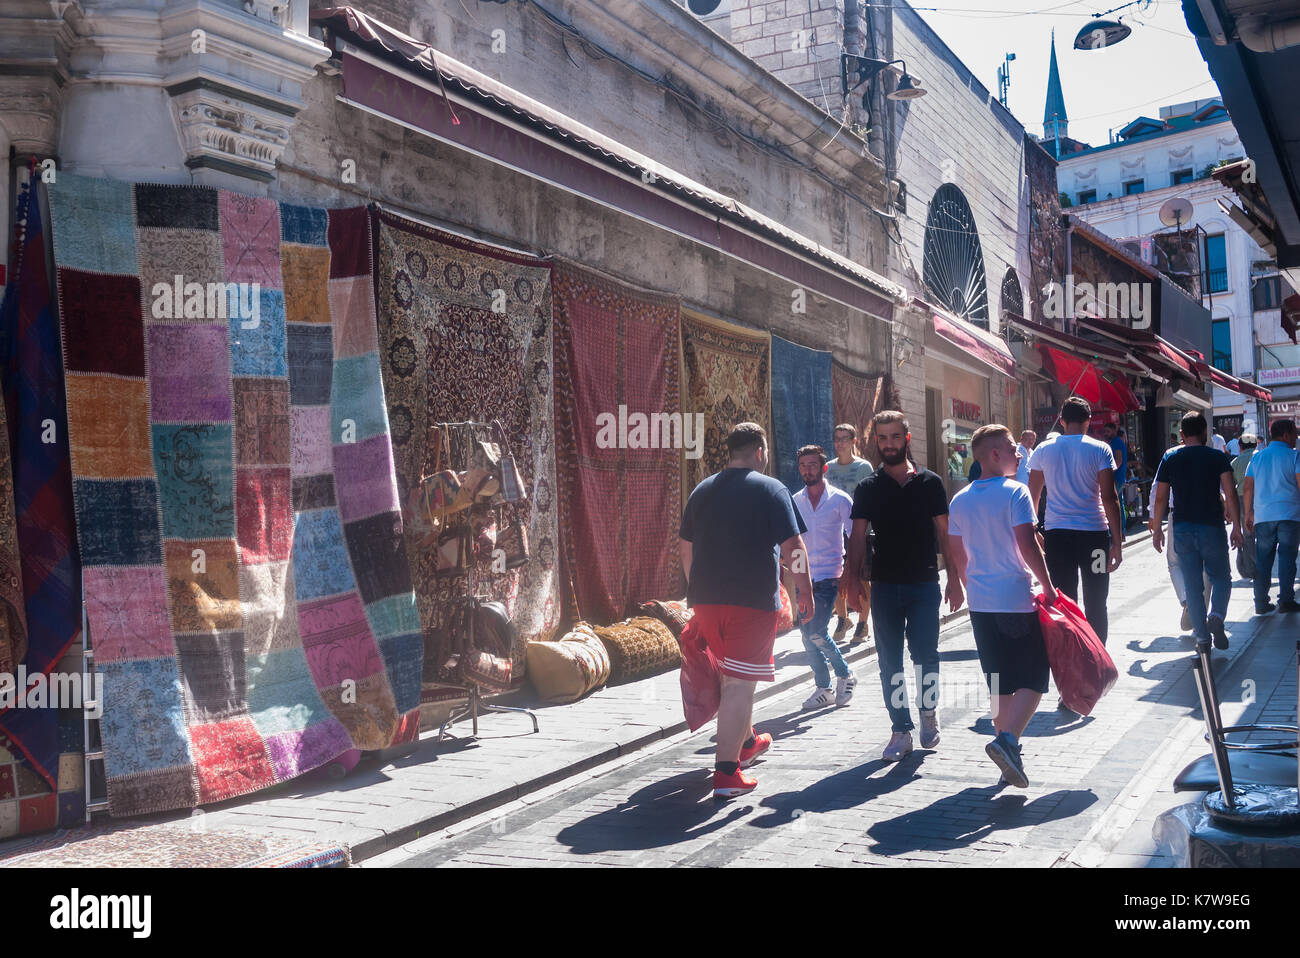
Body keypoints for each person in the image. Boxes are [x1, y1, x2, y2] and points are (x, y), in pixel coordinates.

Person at [680, 422, 814, 799]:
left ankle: (748, 741)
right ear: (761, 451)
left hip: (705, 599)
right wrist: (804, 590)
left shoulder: (702, 490)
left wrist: (700, 590)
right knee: (741, 682)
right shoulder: (772, 489)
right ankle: (726, 774)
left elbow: (685, 550)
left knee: (732, 675)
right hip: (751, 600)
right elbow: (794, 547)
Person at [847, 411, 962, 762]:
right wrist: (851, 580)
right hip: (884, 586)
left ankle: (928, 712)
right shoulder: (868, 487)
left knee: (926, 656)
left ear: (907, 439)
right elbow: (856, 537)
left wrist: (954, 578)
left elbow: (945, 532)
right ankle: (901, 730)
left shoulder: (930, 483)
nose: (889, 444)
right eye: (882, 438)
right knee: (889, 662)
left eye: (895, 437)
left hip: (925, 583)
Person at [947, 424, 1058, 788]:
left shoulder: (959, 499)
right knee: (1034, 678)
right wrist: (1049, 586)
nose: (1020, 453)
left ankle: (1008, 754)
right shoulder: (1016, 493)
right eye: (1012, 448)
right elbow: (1028, 545)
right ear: (994, 455)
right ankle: (1007, 741)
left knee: (999, 682)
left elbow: (957, 554)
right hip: (1014, 598)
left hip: (981, 603)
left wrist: (968, 586)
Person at [1027, 397, 1123, 657]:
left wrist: (1034, 531)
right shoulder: (1100, 449)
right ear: (1089, 421)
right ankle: (1096, 658)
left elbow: (1031, 496)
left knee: (1066, 601)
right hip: (1095, 535)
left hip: (1058, 537)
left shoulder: (1043, 450)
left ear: (1062, 420)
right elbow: (1109, 497)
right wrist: (1117, 541)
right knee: (1097, 600)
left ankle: (1073, 659)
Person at [1149, 411, 1242, 650]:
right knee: (1221, 577)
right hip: (1211, 526)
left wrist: (1158, 528)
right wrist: (1237, 527)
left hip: (1182, 527)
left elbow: (1160, 498)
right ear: (1205, 433)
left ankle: (1202, 639)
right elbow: (1230, 492)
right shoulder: (1217, 457)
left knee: (1192, 585)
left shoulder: (1171, 459)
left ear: (1181, 435)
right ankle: (1217, 616)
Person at [791, 445, 858, 709]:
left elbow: (855, 539)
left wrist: (851, 575)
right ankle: (824, 688)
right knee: (806, 636)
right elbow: (788, 540)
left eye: (812, 465)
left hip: (831, 576)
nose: (807, 470)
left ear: (823, 468)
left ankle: (845, 674)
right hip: (804, 579)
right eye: (803, 466)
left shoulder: (841, 500)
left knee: (816, 631)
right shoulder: (794, 501)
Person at [1150, 440, 1211, 633]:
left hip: (1178, 515)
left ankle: (1187, 600)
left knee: (1175, 563)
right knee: (1205, 566)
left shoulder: (1171, 455)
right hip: (1206, 515)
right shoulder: (1209, 454)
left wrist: (1154, 519)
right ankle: (1201, 612)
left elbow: (1157, 491)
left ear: (1182, 434)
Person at [1243, 419, 1300, 615]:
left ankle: (1260, 602)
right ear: (1285, 435)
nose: (1296, 438)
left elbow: (1248, 486)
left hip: (1264, 516)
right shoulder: (1294, 456)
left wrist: (1248, 513)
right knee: (1287, 558)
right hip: (1289, 515)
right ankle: (1285, 600)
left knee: (1263, 560)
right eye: (1294, 433)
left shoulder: (1257, 457)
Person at [825, 423, 874, 643]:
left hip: (858, 530)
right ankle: (843, 619)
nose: (840, 443)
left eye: (845, 438)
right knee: (835, 576)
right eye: (837, 438)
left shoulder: (864, 467)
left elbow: (872, 498)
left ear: (854, 441)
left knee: (861, 576)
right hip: (834, 530)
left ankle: (863, 622)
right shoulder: (828, 468)